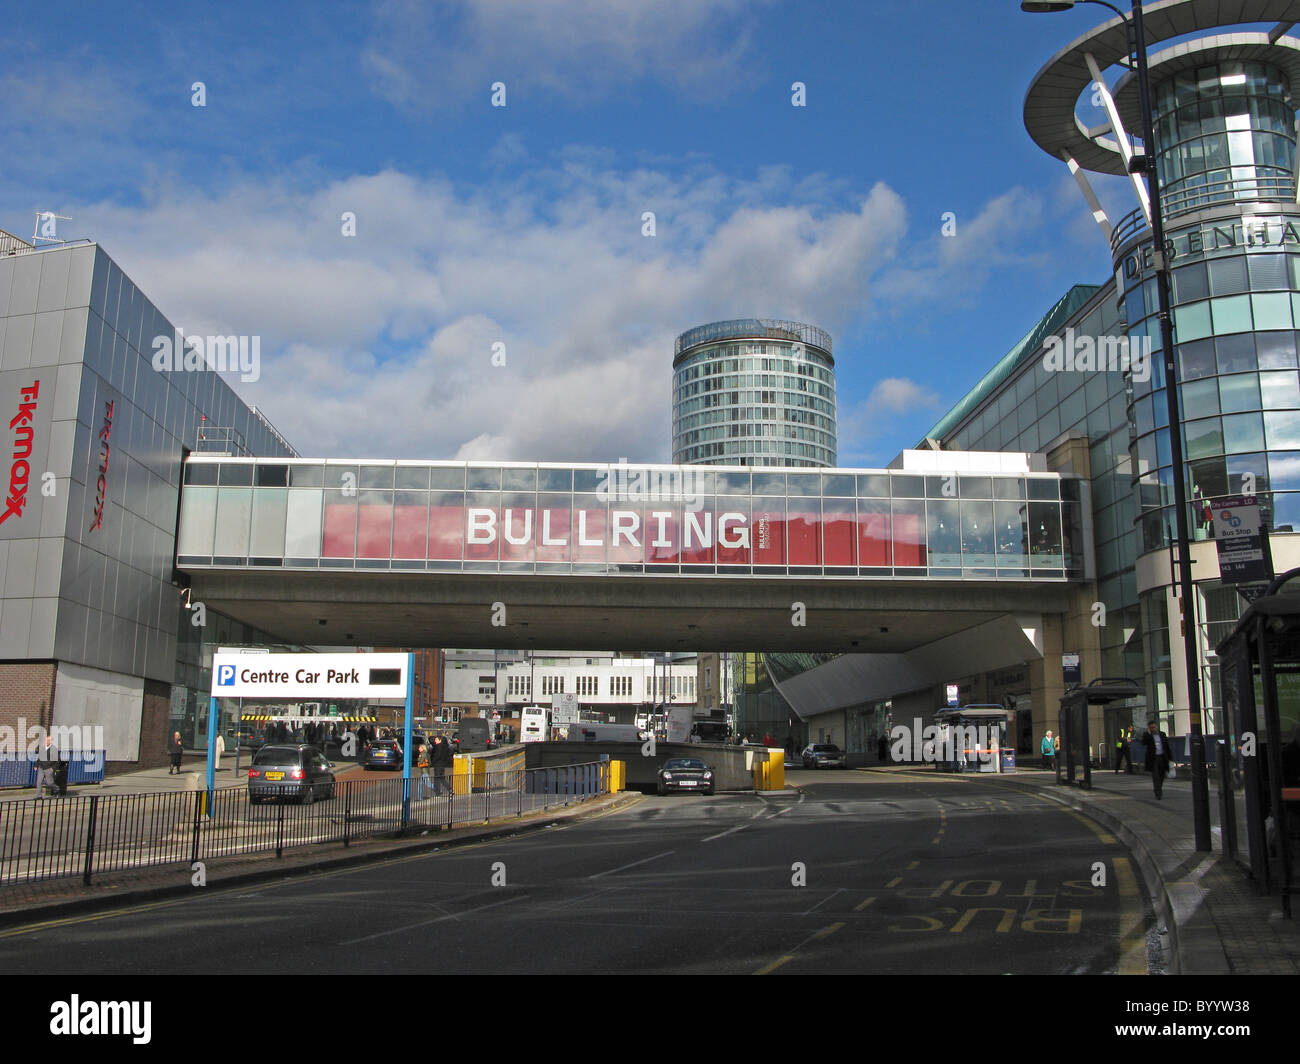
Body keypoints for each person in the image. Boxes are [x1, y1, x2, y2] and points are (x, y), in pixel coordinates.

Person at [1144, 720, 1171, 800]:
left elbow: (1166, 746)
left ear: (1157, 727)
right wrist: (1149, 733)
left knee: (1162, 775)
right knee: (1155, 776)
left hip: (1162, 757)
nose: (1153, 729)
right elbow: (1143, 742)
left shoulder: (1162, 734)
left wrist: (1170, 758)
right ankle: (1158, 793)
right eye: (1151, 728)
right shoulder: (1147, 735)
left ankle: (1158, 788)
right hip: (1153, 758)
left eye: (1154, 727)